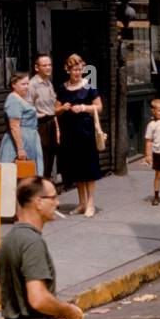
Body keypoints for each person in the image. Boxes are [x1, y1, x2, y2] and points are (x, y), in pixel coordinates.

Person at [0, 176, 84, 319]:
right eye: (53, 198)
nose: (58, 203)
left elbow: (0, 295)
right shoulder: (32, 242)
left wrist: (51, 315)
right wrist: (67, 311)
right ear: (38, 202)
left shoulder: (8, 241)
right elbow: (38, 298)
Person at [55, 54, 103, 217]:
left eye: (80, 69)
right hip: (70, 132)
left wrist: (82, 107)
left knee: (88, 167)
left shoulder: (89, 87)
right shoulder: (62, 88)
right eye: (74, 69)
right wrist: (64, 108)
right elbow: (56, 109)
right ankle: (81, 202)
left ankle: (91, 203)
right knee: (76, 168)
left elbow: (99, 107)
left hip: (86, 131)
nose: (77, 72)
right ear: (68, 70)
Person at [0, 72, 44, 176]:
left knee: (29, 174)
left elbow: (24, 117)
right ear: (14, 85)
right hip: (19, 141)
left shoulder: (19, 98)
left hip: (29, 138)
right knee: (19, 174)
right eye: (23, 84)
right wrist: (20, 149)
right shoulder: (13, 100)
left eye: (28, 84)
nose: (27, 87)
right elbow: (14, 126)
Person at [28, 54, 62, 185]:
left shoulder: (48, 83)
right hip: (40, 124)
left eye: (50, 65)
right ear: (37, 68)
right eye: (44, 65)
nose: (48, 68)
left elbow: (53, 108)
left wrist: (57, 128)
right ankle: (39, 190)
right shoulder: (32, 85)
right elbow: (29, 108)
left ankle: (46, 188)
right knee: (42, 157)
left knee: (51, 157)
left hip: (51, 122)